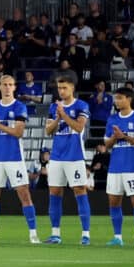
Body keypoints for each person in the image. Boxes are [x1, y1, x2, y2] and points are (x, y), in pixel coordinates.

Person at [0, 74, 39, 244]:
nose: (8, 87)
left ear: (15, 87)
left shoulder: (19, 107)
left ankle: (33, 235)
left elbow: (18, 132)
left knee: (24, 194)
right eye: (5, 84)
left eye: (11, 84)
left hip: (14, 157)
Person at [44, 70, 92, 245]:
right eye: (59, 88)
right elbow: (48, 131)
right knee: (55, 192)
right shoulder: (53, 107)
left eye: (64, 88)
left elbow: (79, 127)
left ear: (72, 87)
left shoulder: (81, 105)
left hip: (75, 156)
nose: (61, 91)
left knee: (80, 191)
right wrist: (58, 118)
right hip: (57, 156)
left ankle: (85, 234)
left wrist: (64, 115)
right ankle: (55, 234)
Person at [103, 87, 134, 247]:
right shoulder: (112, 119)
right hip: (115, 167)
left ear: (129, 99)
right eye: (115, 98)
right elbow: (107, 144)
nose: (116, 101)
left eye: (120, 98)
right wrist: (115, 138)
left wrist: (125, 136)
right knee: (113, 202)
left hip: (132, 167)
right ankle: (117, 237)